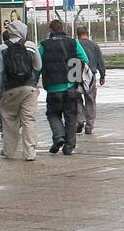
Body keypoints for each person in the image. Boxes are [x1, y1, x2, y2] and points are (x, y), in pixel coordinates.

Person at [38, 19, 89, 156]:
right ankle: (69, 146)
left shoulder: (43, 45)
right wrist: (74, 72)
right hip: (70, 86)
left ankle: (59, 136)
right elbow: (84, 59)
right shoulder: (73, 42)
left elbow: (37, 65)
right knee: (70, 116)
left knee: (53, 113)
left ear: (50, 30)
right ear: (63, 29)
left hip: (52, 87)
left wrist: (36, 79)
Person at [0, 19, 41, 161]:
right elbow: (38, 66)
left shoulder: (2, 48)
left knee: (9, 121)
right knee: (29, 120)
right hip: (29, 88)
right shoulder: (31, 46)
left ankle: (9, 151)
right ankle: (30, 153)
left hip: (10, 90)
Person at [75, 24, 106, 135]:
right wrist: (103, 75)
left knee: (77, 98)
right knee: (91, 100)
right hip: (90, 76)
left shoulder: (75, 44)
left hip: (76, 75)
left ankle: (79, 119)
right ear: (87, 34)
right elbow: (100, 62)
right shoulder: (94, 45)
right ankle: (89, 125)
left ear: (77, 35)